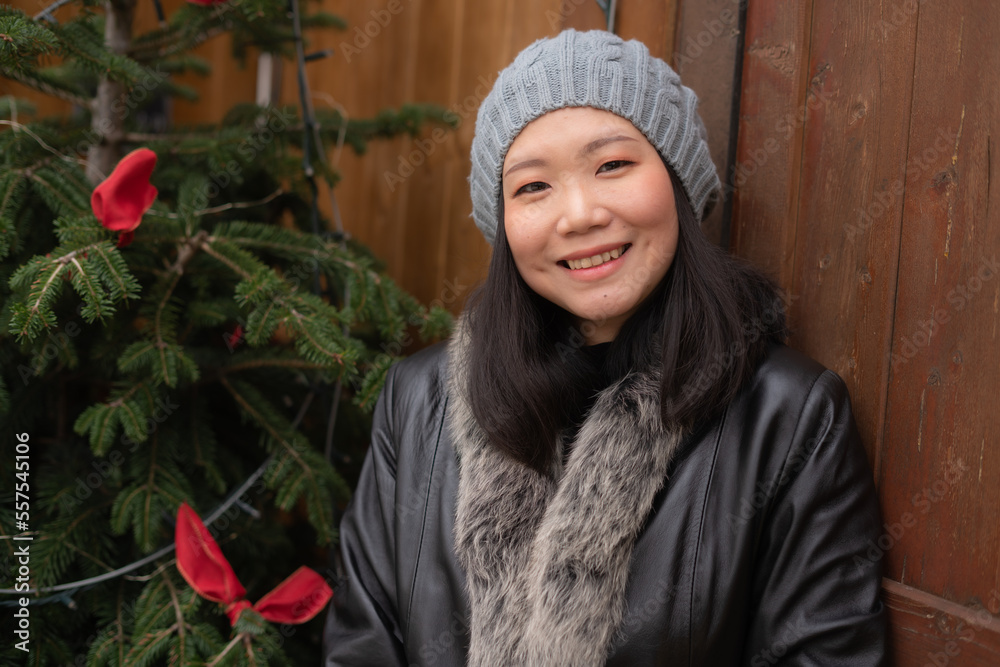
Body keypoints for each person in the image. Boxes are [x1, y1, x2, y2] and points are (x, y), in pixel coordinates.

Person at [323, 29, 887, 666]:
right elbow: (362, 643)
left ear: (676, 181)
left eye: (612, 165)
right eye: (533, 187)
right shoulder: (419, 398)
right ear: (502, 225)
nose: (579, 214)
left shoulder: (791, 416)